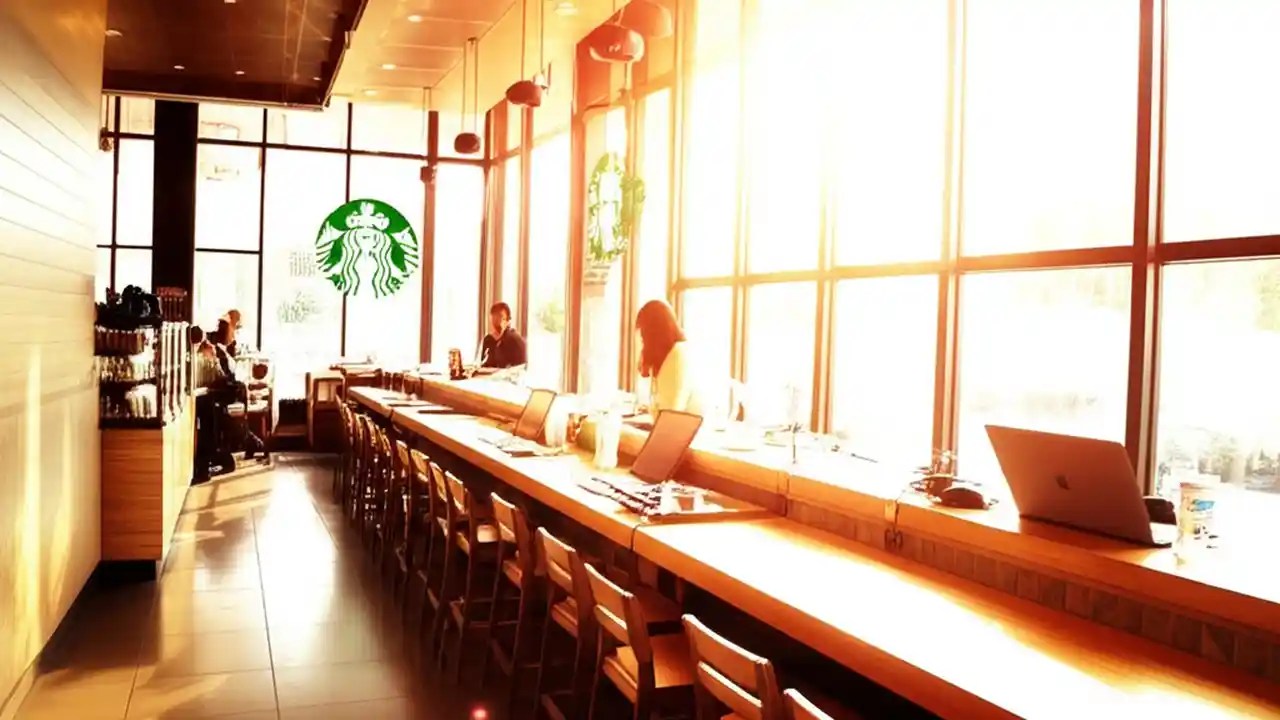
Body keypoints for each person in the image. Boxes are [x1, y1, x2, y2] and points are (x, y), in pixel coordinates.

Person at [636, 299, 699, 414]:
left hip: (680, 424)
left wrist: (652, 410)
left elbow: (670, 411)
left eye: (644, 333)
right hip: (675, 422)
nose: (642, 339)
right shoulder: (671, 354)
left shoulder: (677, 355)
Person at [479, 302, 527, 370]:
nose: (496, 319)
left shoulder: (514, 339)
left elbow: (520, 366)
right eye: (494, 315)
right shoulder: (488, 339)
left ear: (508, 319)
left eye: (500, 316)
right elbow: (483, 363)